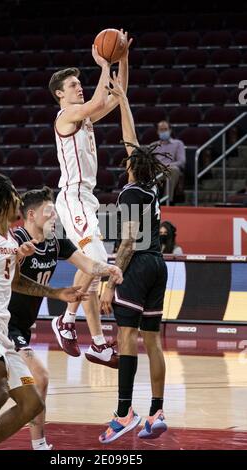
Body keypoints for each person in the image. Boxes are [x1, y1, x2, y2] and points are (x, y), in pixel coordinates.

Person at [0, 186, 123, 449]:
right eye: (13, 199)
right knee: (7, 388)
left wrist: (62, 290)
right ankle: (27, 444)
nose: (17, 203)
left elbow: (18, 281)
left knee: (7, 399)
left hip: (5, 326)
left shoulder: (19, 240)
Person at [48, 30, 132, 368]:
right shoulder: (67, 116)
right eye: (72, 86)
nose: (77, 87)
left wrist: (122, 58)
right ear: (59, 95)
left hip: (87, 198)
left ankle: (96, 343)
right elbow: (98, 101)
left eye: (78, 84)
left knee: (92, 266)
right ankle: (66, 320)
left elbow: (115, 97)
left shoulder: (83, 116)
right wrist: (103, 64)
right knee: (96, 260)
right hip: (72, 199)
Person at [99, 73, 170, 443]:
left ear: (130, 167)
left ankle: (124, 411)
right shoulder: (151, 186)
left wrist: (110, 280)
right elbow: (132, 142)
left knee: (125, 334)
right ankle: (157, 410)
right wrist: (123, 99)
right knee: (153, 340)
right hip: (160, 265)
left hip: (139, 265)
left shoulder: (129, 194)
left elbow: (128, 241)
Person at [153, 121, 185, 204]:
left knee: (174, 170)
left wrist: (166, 165)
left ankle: (168, 200)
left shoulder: (178, 143)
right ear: (157, 131)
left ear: (170, 130)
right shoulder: (153, 145)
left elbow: (181, 161)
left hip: (170, 168)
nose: (163, 131)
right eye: (161, 130)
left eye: (165, 129)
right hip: (157, 169)